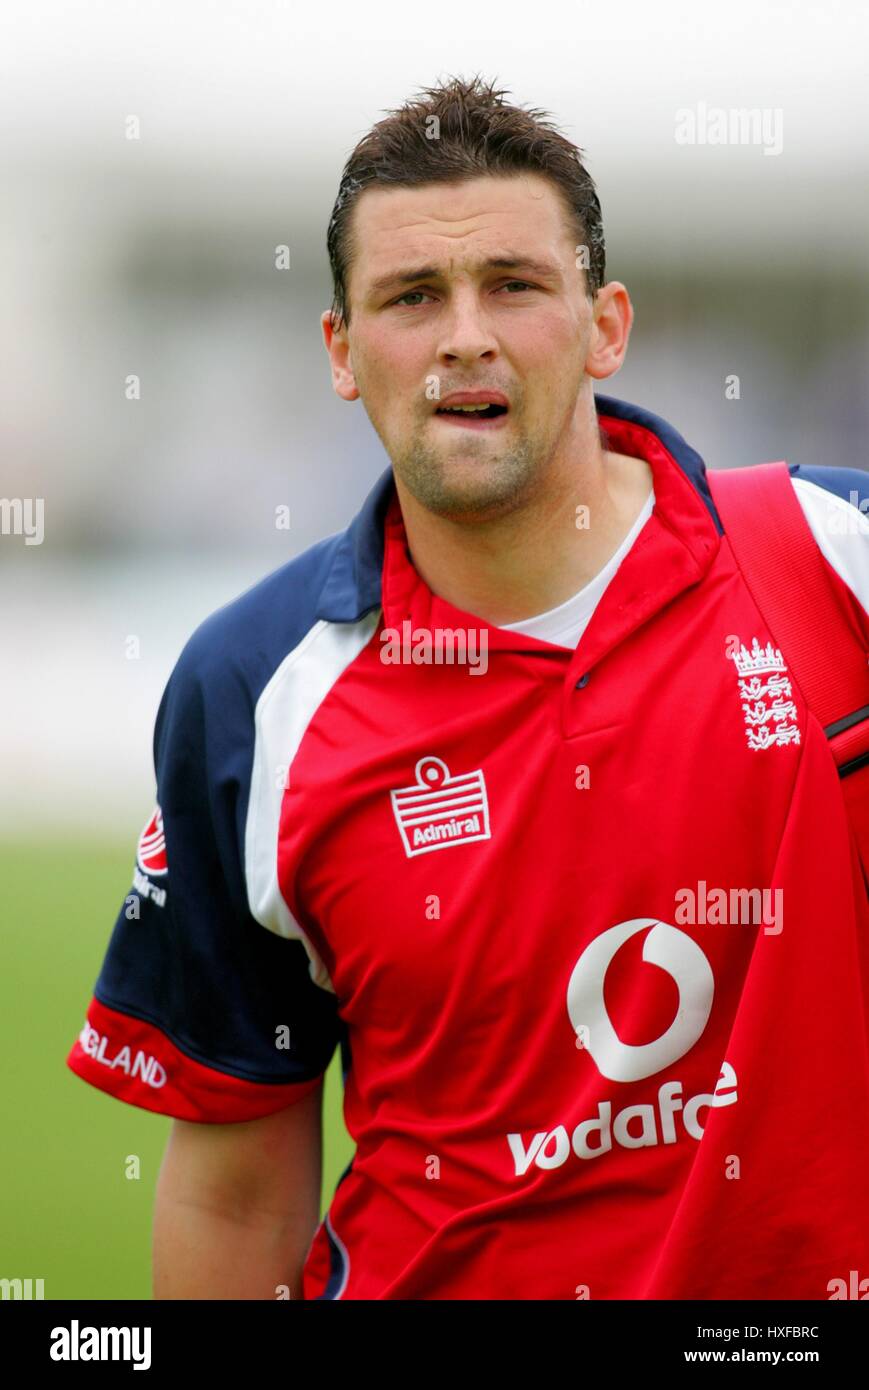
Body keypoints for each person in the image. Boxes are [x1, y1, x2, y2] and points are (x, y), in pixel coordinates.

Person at [67, 74, 869, 1300]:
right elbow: (234, 1184)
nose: (463, 337)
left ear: (604, 325)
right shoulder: (250, 687)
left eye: (512, 284)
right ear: (342, 350)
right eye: (409, 296)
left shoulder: (833, 554)